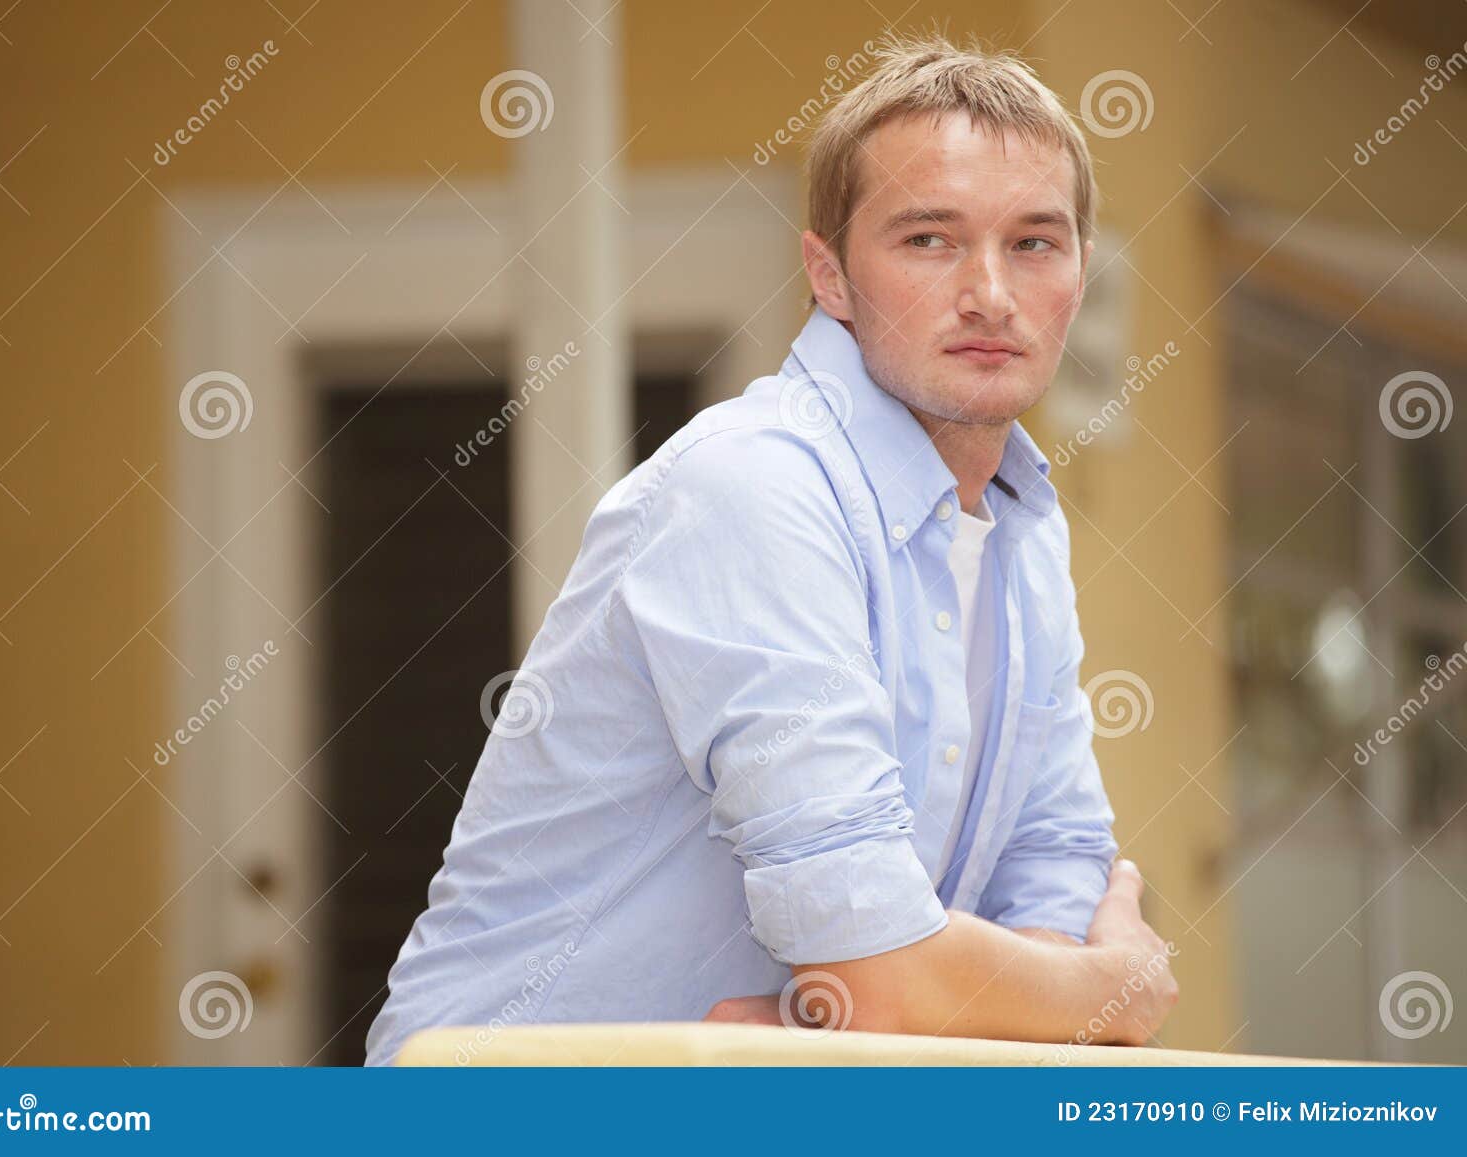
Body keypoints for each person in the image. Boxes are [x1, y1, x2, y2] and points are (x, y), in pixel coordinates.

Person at [365, 30, 1178, 1067]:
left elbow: (1052, 867)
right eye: (928, 239)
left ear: (1079, 271)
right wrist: (1109, 987)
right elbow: (878, 966)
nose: (989, 292)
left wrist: (865, 1008)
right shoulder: (753, 487)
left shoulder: (1021, 523)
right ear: (828, 274)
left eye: (1034, 241)